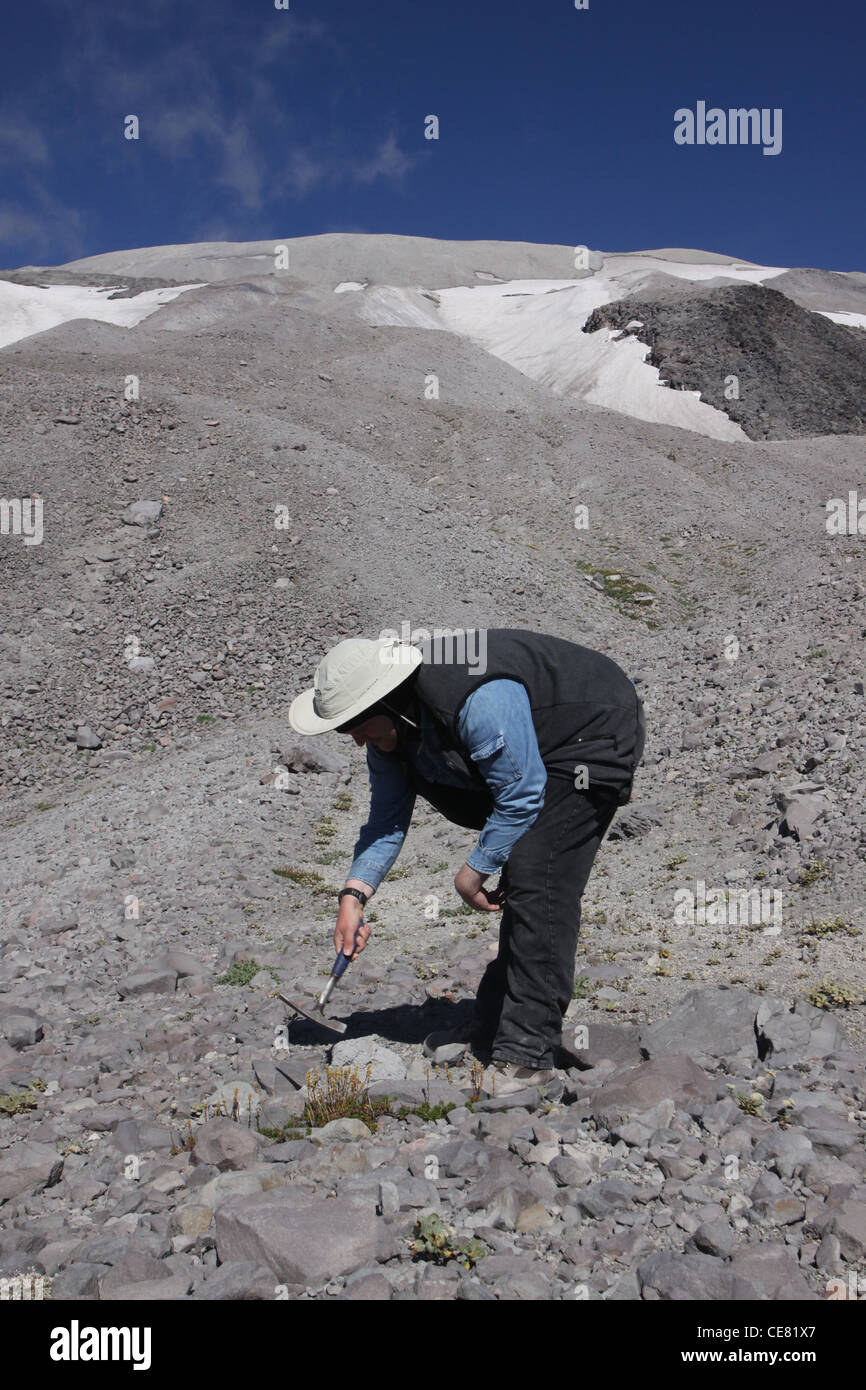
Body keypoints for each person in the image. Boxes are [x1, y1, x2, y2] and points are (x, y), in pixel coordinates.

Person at [288, 628, 646, 1096]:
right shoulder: (389, 736)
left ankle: (527, 1056)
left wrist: (473, 870)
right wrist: (354, 896)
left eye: (357, 725)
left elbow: (521, 792)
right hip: (535, 759)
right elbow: (385, 822)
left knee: (540, 875)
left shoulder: (474, 697)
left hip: (591, 732)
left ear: (388, 702)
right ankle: (496, 1026)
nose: (355, 741)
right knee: (526, 873)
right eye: (343, 730)